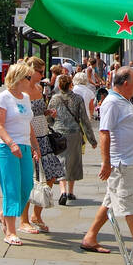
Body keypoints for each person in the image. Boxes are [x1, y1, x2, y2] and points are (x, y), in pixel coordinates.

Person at [80, 66, 133, 253]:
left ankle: (90, 237)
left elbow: (127, 130)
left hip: (128, 160)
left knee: (111, 201)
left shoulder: (124, 101)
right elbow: (104, 132)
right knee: (130, 205)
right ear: (126, 83)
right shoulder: (112, 102)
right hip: (121, 162)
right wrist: (106, 162)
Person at [0, 61, 40, 247]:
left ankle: (4, 214)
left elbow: (28, 123)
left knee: (26, 185)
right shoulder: (3, 98)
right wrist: (11, 143)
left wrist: (35, 145)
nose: (32, 80)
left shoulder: (25, 98)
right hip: (6, 147)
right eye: (29, 77)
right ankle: (10, 231)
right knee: (11, 187)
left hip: (25, 145)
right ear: (18, 78)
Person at [19, 56, 65, 233]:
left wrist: (48, 112)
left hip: (44, 136)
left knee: (52, 174)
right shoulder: (22, 90)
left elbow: (39, 111)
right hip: (30, 138)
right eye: (40, 71)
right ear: (31, 70)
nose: (42, 74)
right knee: (29, 179)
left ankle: (36, 215)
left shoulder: (38, 88)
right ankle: (24, 219)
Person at [49, 73, 97, 204]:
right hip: (75, 133)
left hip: (59, 133)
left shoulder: (54, 99)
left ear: (59, 85)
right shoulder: (77, 99)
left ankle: (62, 191)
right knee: (73, 162)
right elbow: (84, 120)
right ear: (71, 85)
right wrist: (92, 139)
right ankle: (70, 192)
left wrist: (53, 125)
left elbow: (48, 118)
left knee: (61, 162)